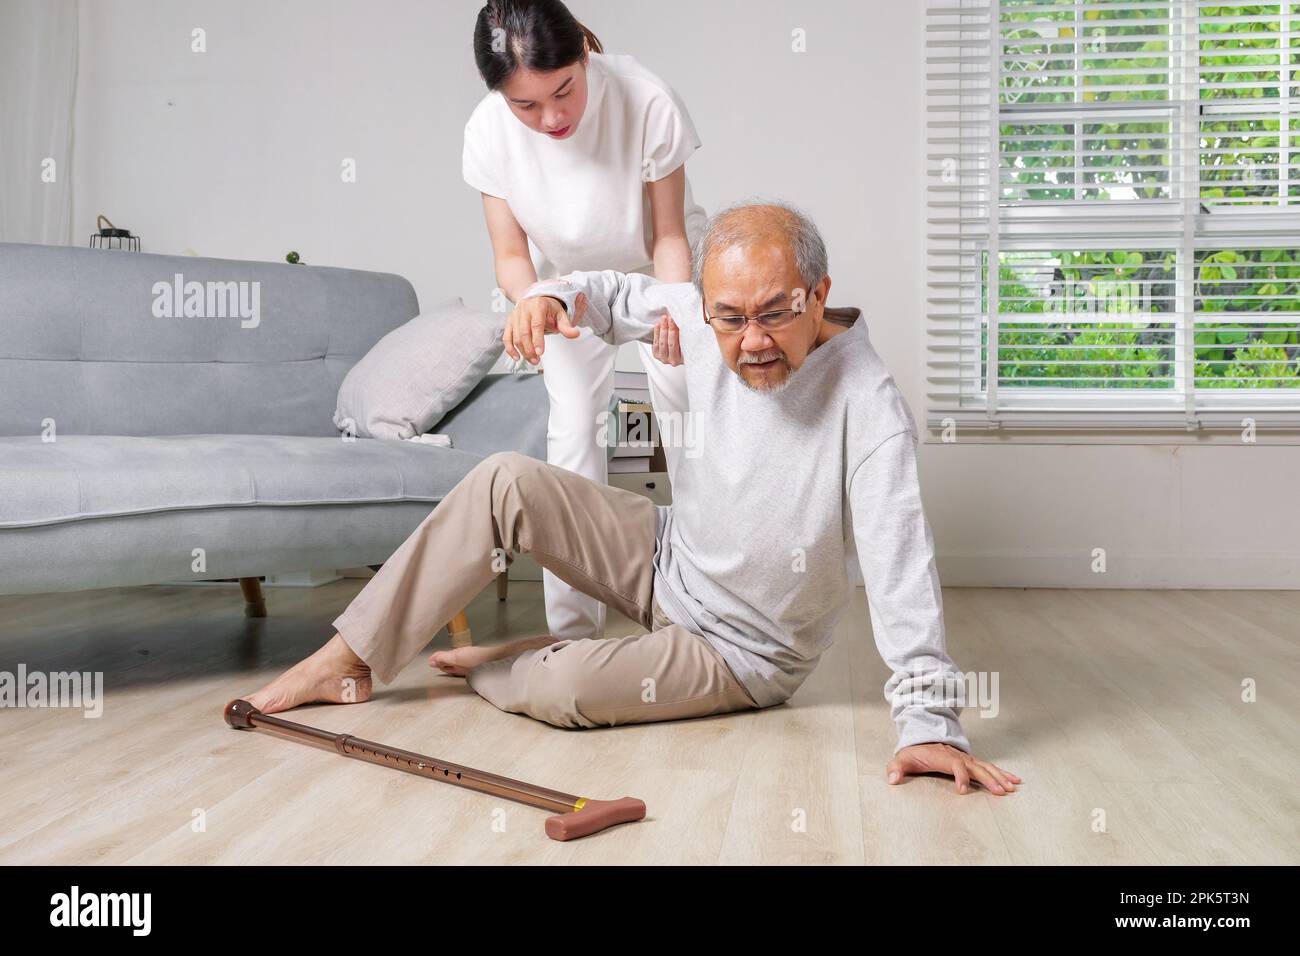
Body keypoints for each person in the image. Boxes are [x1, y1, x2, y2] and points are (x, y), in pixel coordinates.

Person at [241, 201, 1021, 795]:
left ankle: (513, 661)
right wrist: (551, 299)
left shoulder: (869, 403)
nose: (751, 340)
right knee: (504, 481)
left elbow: (900, 565)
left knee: (566, 688)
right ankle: (350, 660)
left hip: (742, 650)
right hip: (665, 556)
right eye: (730, 317)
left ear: (818, 296)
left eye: (775, 313)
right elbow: (609, 296)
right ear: (708, 304)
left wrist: (930, 724)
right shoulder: (698, 311)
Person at [464, 0, 704, 642]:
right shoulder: (487, 132)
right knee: (572, 438)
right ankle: (572, 636)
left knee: (686, 429)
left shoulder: (645, 97)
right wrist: (532, 300)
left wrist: (679, 310)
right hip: (565, 286)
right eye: (527, 106)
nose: (552, 117)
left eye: (564, 90)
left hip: (661, 273)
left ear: (584, 55)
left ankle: (706, 615)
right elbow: (512, 257)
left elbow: (672, 235)